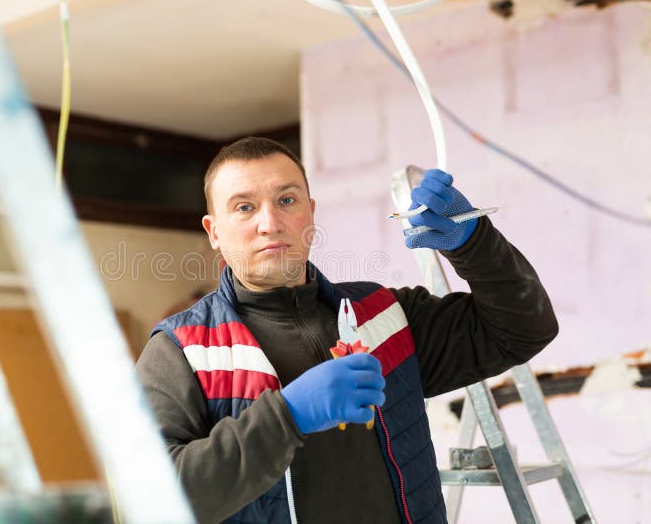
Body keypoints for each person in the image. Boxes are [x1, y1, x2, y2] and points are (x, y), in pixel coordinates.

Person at [136, 137, 558, 523]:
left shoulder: (383, 317)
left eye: (286, 199)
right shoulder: (181, 350)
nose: (270, 222)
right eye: (244, 207)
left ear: (311, 213)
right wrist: (287, 417)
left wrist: (474, 241)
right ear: (213, 231)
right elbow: (151, 497)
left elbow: (523, 328)